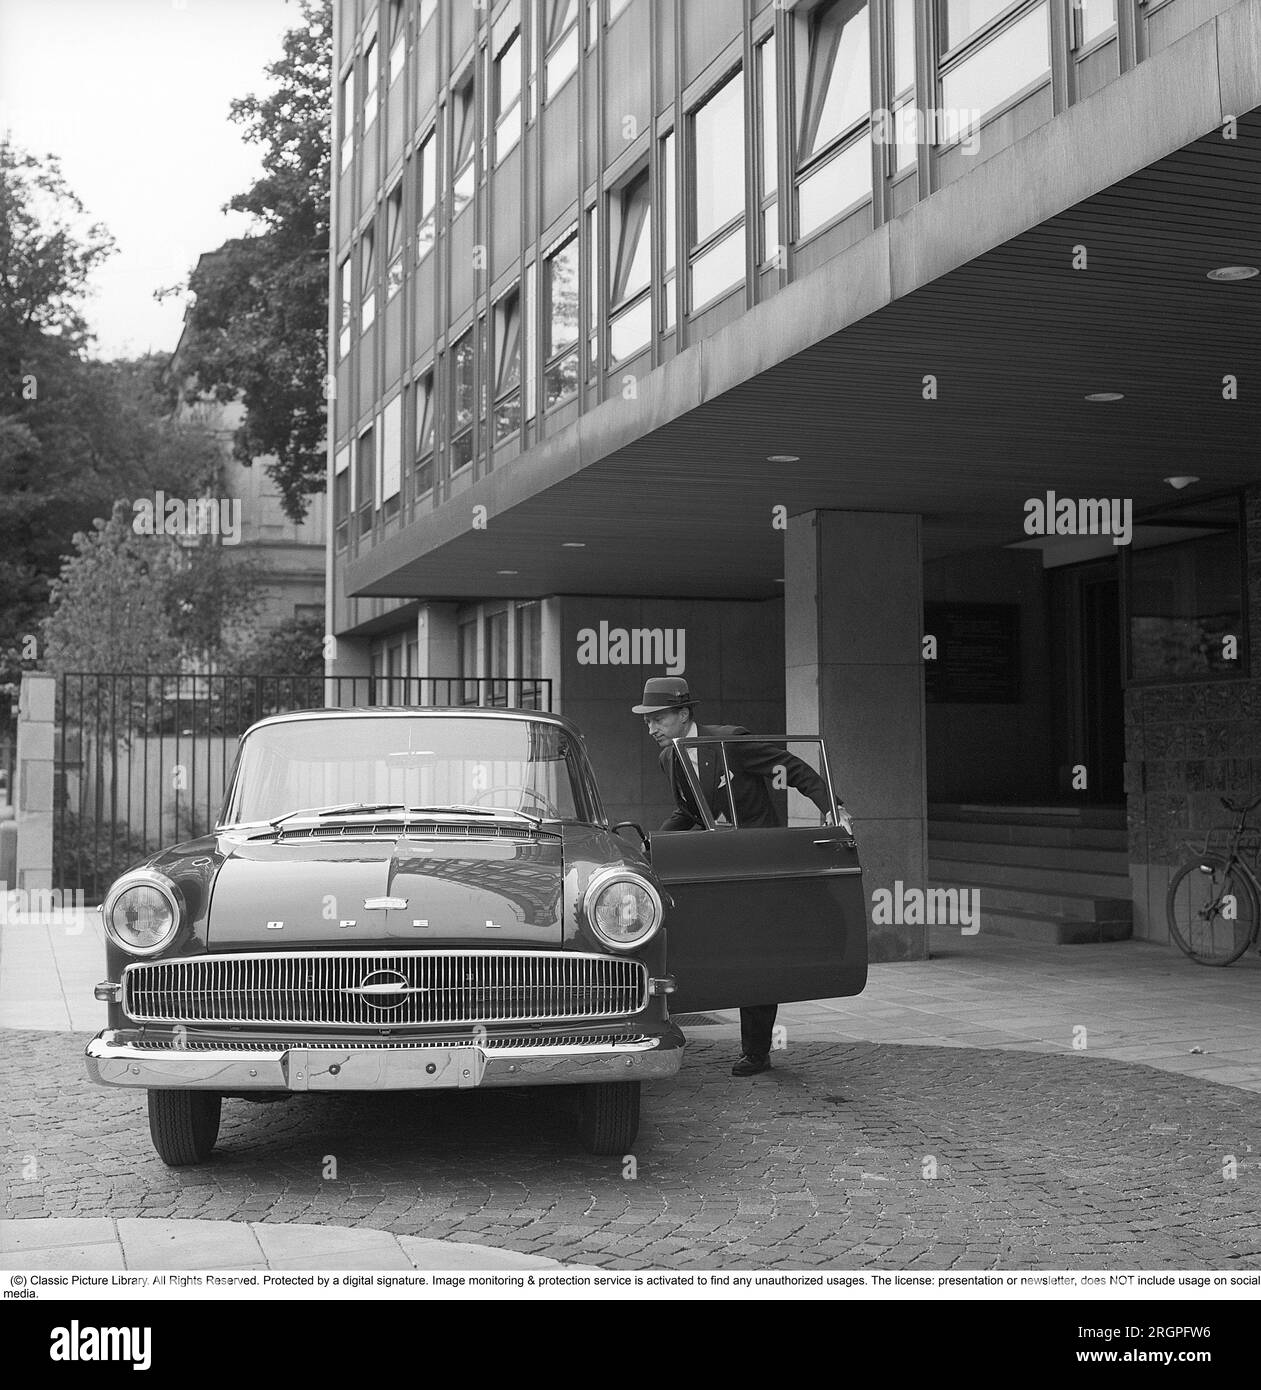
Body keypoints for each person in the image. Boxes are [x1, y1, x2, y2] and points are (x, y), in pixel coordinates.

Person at [632, 675, 853, 1078]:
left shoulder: (730, 740)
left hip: (757, 862)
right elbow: (688, 811)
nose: (652, 728)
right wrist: (651, 846)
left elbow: (792, 766)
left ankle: (757, 1051)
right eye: (647, 721)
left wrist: (832, 808)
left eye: (659, 718)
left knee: (759, 952)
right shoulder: (669, 758)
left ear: (684, 714)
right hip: (717, 860)